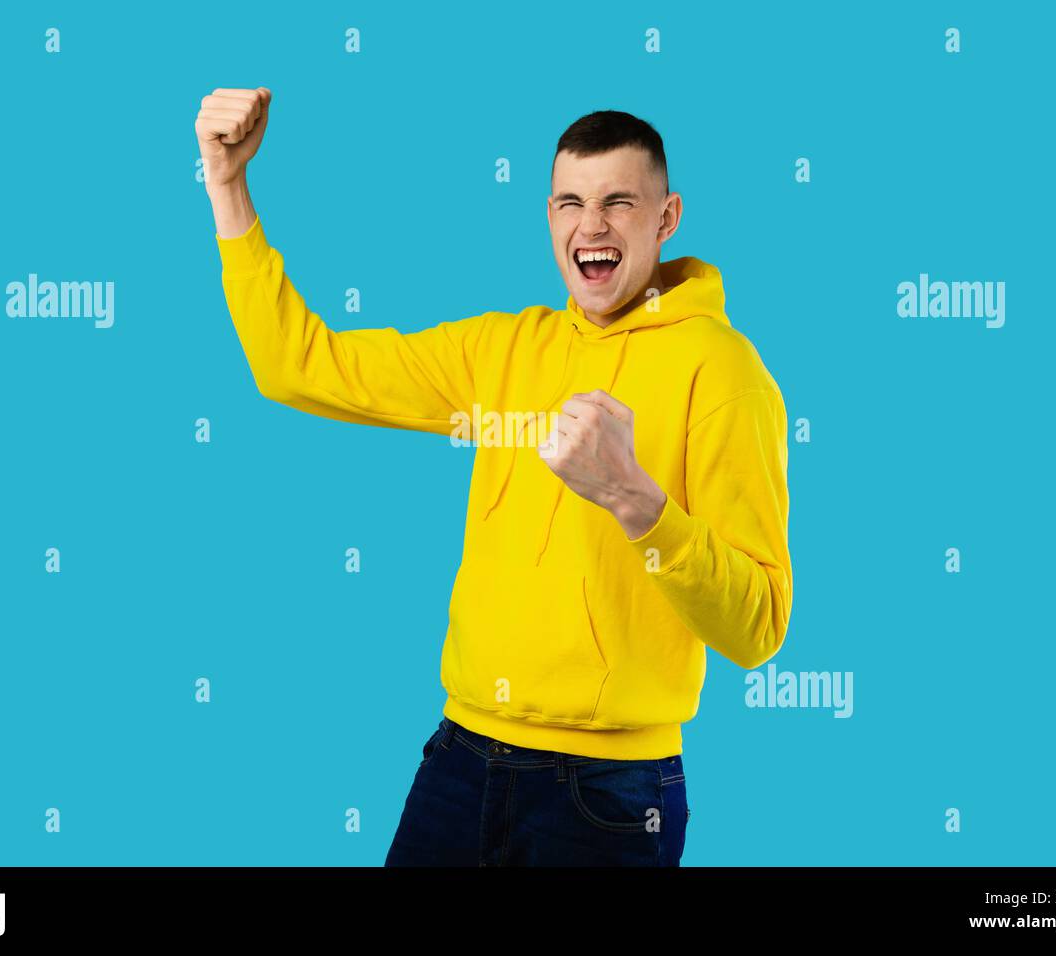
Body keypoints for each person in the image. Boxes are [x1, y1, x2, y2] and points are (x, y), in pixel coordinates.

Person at [195, 88, 793, 866]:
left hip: (610, 793)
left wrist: (637, 503)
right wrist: (227, 184)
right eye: (571, 203)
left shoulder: (723, 372)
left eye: (619, 202)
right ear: (549, 217)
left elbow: (758, 628)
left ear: (667, 217)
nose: (593, 225)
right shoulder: (504, 351)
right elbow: (298, 366)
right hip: (461, 762)